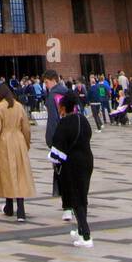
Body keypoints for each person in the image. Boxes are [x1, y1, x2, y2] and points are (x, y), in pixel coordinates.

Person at [49, 90, 94, 247]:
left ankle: (86, 235)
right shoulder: (83, 119)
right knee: (83, 196)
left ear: (63, 107)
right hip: (87, 160)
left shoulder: (64, 123)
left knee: (76, 199)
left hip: (72, 164)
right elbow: (89, 135)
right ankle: (81, 231)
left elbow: (56, 149)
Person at [0, 82, 35, 222]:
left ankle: (9, 206)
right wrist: (26, 143)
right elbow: (26, 127)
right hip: (18, 140)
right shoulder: (19, 106)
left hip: (5, 141)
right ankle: (20, 210)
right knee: (20, 174)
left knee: (7, 174)